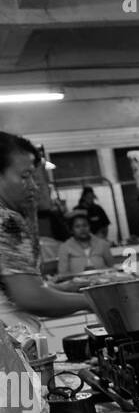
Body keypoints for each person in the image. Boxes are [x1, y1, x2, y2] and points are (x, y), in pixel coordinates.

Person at [0, 132, 93, 326]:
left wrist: (66, 287)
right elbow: (30, 297)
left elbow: (9, 286)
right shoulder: (6, 220)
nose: (33, 187)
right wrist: (92, 301)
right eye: (25, 176)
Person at [56, 211, 116, 277]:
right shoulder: (65, 247)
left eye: (85, 225)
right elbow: (63, 273)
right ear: (71, 230)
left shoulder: (102, 243)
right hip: (77, 284)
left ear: (89, 227)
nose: (82, 229)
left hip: (104, 281)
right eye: (77, 226)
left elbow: (111, 266)